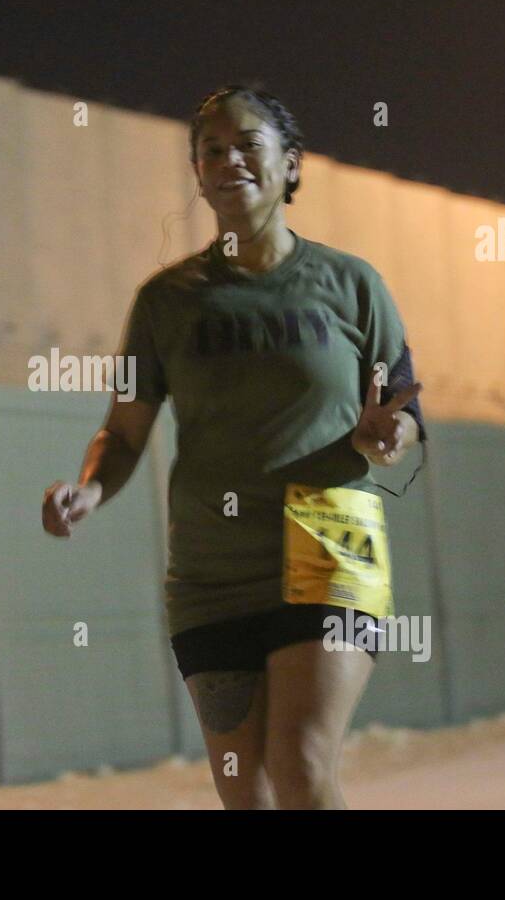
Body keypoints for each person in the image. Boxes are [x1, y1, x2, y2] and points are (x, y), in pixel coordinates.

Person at [40, 84, 426, 809]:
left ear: (291, 166)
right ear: (197, 174)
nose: (229, 159)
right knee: (245, 792)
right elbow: (123, 431)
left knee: (301, 764)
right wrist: (87, 489)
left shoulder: (351, 284)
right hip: (211, 568)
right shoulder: (166, 301)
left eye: (249, 143)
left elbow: (405, 415)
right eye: (211, 149)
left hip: (330, 541)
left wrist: (391, 435)